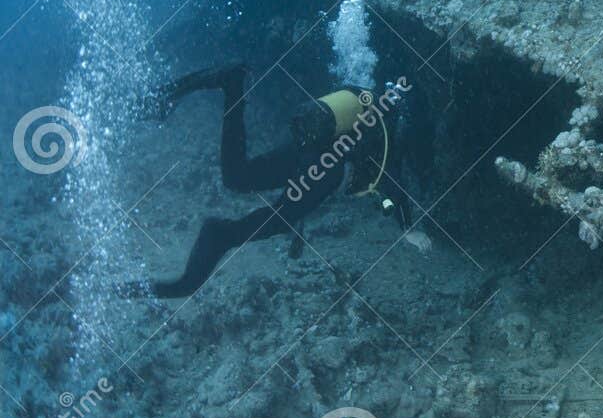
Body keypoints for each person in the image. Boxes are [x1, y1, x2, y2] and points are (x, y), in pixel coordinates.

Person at [136, 63, 418, 298]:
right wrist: (408, 228)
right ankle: (219, 236)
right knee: (279, 220)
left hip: (303, 147)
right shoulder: (386, 135)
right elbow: (394, 183)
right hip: (326, 169)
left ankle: (232, 84)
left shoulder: (360, 107)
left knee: (237, 177)